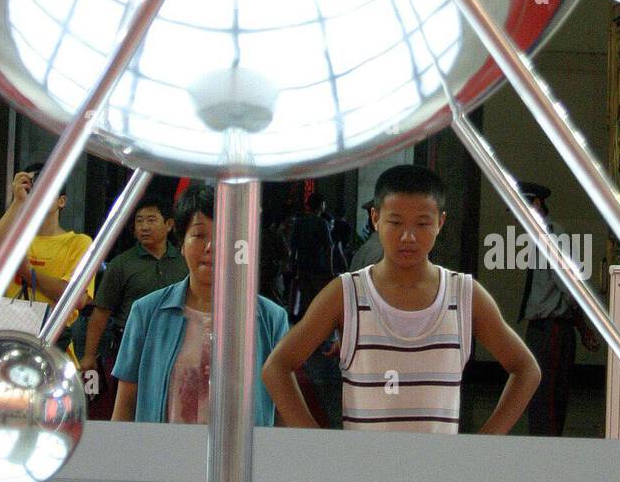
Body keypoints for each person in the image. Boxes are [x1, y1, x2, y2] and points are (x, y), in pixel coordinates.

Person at [263, 164, 541, 433]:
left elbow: (526, 369)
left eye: (422, 224)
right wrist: (315, 442)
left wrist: (485, 444)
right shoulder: (345, 294)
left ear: (440, 222)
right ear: (375, 219)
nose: (408, 236)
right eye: (395, 222)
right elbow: (277, 366)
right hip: (363, 474)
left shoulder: (465, 295)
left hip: (437, 475)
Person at [111, 183, 289, 424]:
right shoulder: (146, 313)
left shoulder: (270, 319)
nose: (211, 247)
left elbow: (282, 411)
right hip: (163, 457)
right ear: (181, 244)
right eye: (199, 235)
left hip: (238, 460)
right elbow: (125, 407)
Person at [0, 163, 93, 365]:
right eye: (35, 188)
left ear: (62, 201)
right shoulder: (16, 238)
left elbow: (76, 298)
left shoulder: (79, 242)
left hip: (55, 353)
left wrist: (26, 271)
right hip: (11, 348)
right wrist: (18, 201)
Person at [517, 181, 601, 436]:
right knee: (538, 396)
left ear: (537, 204)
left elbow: (570, 289)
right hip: (541, 328)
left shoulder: (553, 238)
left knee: (549, 398)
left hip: (553, 329)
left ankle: (549, 454)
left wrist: (583, 328)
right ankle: (541, 450)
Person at [78, 196, 185, 389]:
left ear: (169, 225)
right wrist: (89, 355)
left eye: (151, 220)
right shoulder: (121, 264)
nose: (144, 226)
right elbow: (101, 312)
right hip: (130, 346)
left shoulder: (184, 262)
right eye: (139, 220)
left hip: (177, 346)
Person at [288, 191, 334, 320]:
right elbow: (328, 248)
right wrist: (330, 268)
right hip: (318, 266)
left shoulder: (299, 222)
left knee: (305, 298)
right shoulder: (322, 223)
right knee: (319, 299)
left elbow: (293, 246)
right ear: (321, 205)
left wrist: (292, 264)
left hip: (302, 266)